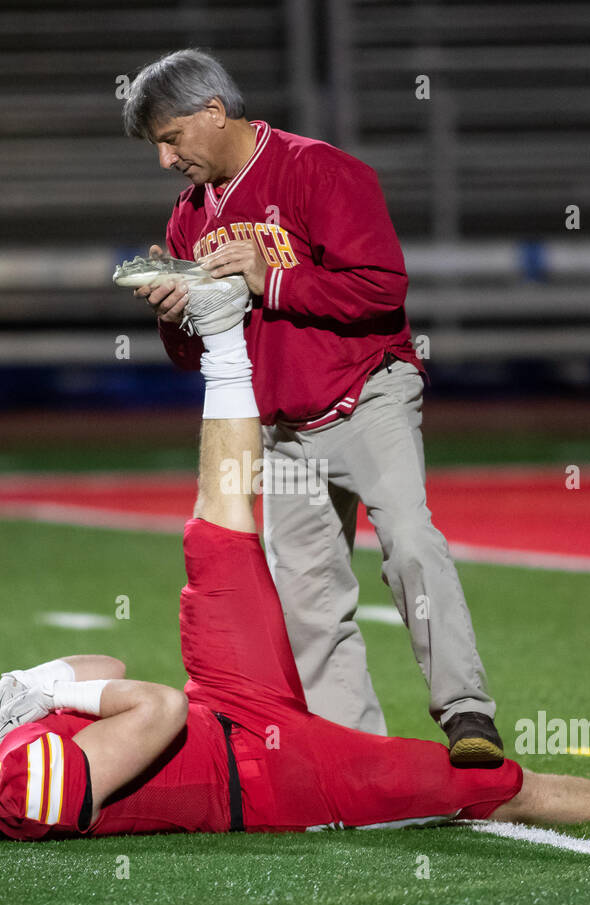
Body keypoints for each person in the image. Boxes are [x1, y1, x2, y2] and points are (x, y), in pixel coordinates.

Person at [0, 280, 590, 842]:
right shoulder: (15, 791)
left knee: (212, 540)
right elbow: (151, 705)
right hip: (264, 772)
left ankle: (224, 336)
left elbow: (106, 671)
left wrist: (18, 689)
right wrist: (40, 693)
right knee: (473, 786)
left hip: (226, 709)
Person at [120, 47, 502, 765]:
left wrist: (273, 280)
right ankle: (359, 755)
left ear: (213, 111)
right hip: (282, 430)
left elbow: (382, 288)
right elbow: (195, 357)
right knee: (308, 600)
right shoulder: (187, 218)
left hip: (366, 394)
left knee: (412, 543)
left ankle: (466, 713)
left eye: (171, 139)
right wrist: (174, 315)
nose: (166, 160)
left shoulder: (317, 169)